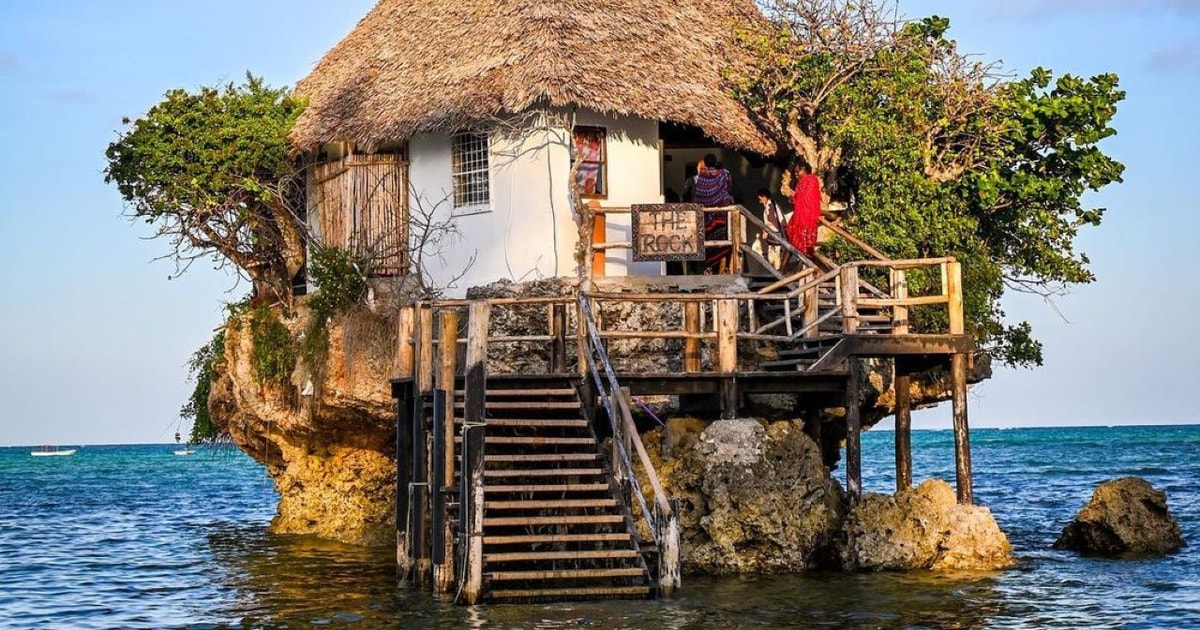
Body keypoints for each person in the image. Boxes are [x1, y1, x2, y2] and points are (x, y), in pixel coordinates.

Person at [691, 153, 735, 273]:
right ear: (715, 163)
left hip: (707, 218)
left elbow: (699, 196)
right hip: (721, 216)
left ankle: (709, 267)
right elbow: (729, 190)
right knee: (723, 241)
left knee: (707, 242)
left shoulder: (701, 177)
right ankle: (721, 267)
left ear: (705, 163)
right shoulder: (724, 174)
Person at [786, 161, 822, 263]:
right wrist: (793, 199)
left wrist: (796, 199)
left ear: (804, 169)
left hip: (808, 218)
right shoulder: (800, 183)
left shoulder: (812, 181)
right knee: (793, 243)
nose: (796, 174)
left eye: (797, 171)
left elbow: (809, 199)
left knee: (806, 247)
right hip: (799, 217)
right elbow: (800, 198)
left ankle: (809, 267)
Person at [753, 187, 789, 269]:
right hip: (772, 235)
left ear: (764, 197)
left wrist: (767, 230)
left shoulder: (773, 206)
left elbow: (778, 220)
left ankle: (778, 271)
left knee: (776, 256)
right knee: (772, 256)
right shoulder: (767, 207)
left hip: (776, 234)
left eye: (760, 199)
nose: (760, 201)